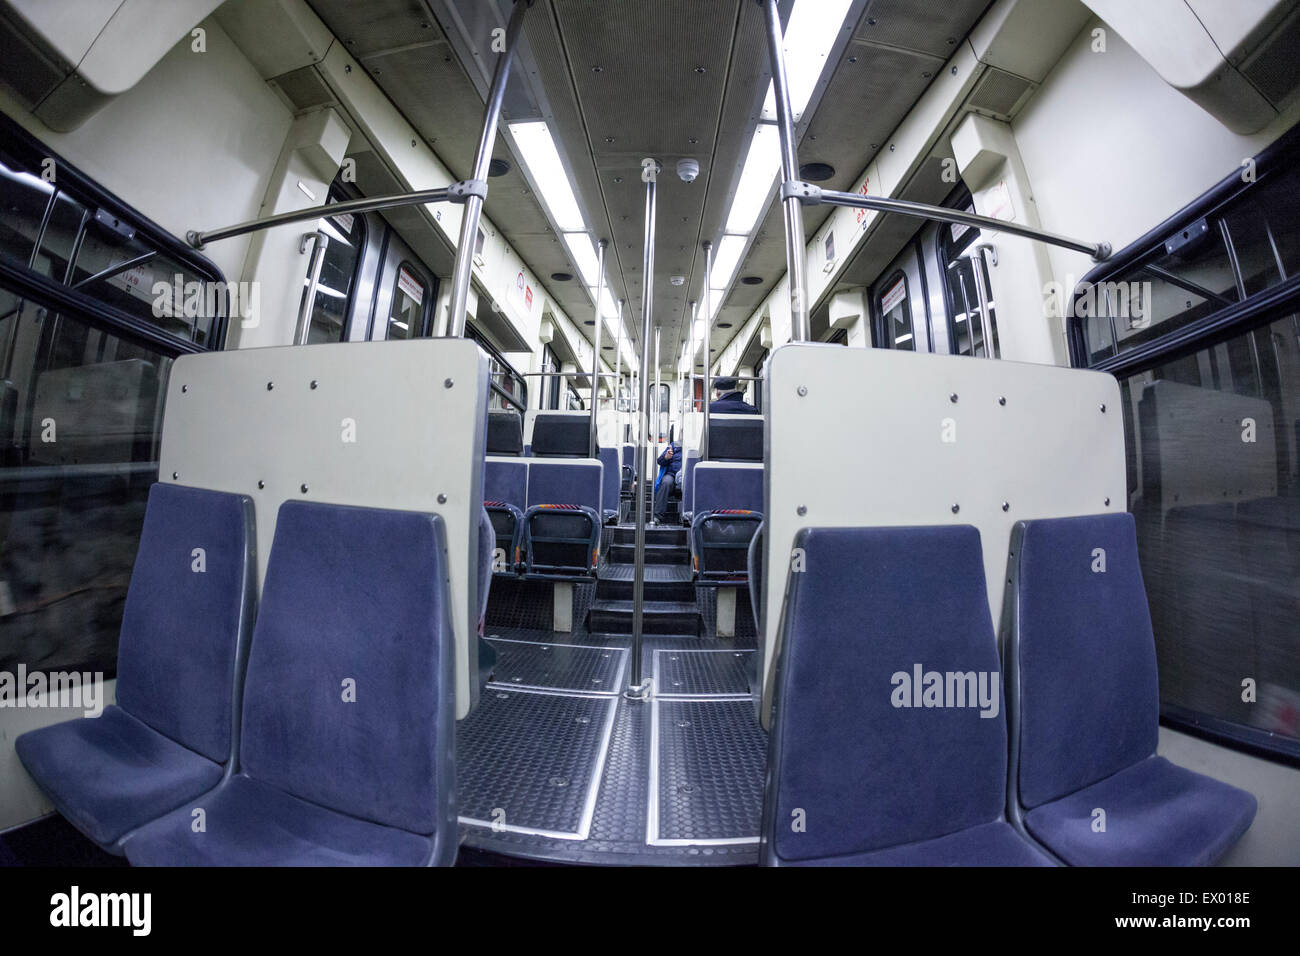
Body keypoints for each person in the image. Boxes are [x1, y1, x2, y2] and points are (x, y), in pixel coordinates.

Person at [653, 440, 682, 524]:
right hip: (672, 475)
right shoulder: (675, 445)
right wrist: (666, 457)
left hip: (689, 475)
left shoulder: (697, 446)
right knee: (666, 482)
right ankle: (658, 516)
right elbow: (660, 460)